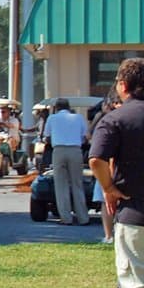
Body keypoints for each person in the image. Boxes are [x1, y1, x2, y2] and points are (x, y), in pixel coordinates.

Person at [91, 58, 144, 288]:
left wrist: (109, 187)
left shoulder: (116, 119)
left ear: (123, 85)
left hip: (134, 212)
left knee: (135, 285)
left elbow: (96, 159)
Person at [43, 96, 90, 226]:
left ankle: (66, 217)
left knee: (61, 185)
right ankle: (83, 217)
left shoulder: (52, 118)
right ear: (69, 107)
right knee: (77, 183)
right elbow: (85, 137)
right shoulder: (78, 117)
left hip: (59, 150)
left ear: (56, 108)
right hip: (75, 150)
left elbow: (47, 137)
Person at [90, 94, 122, 244]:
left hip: (106, 164)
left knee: (106, 201)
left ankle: (109, 235)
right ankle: (112, 234)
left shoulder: (104, 120)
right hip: (120, 166)